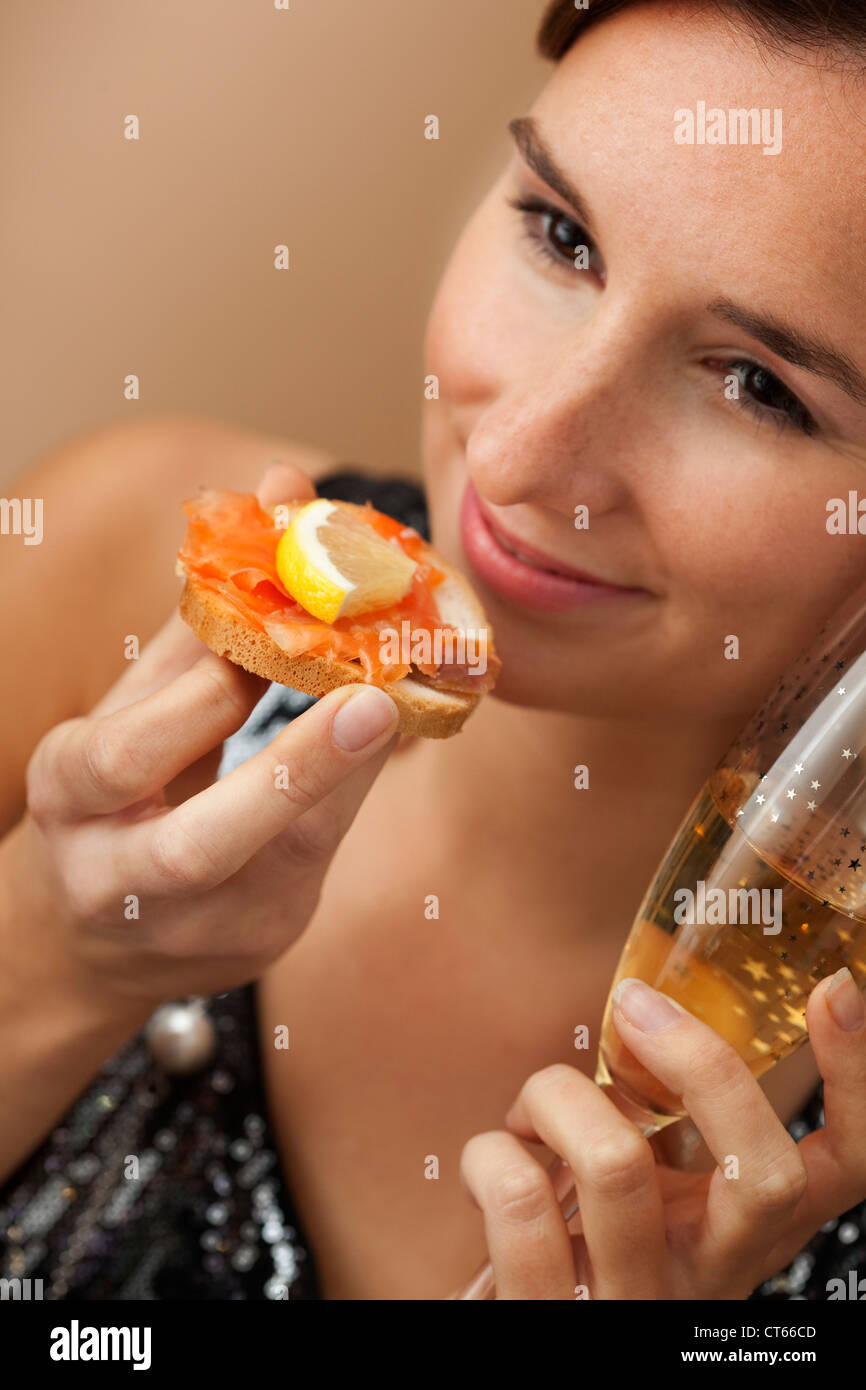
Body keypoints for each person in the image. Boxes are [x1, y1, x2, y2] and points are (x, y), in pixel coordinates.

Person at [2, 0, 866, 1301]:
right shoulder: (113, 560)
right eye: (561, 235)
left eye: (756, 385)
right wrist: (52, 960)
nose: (517, 457)